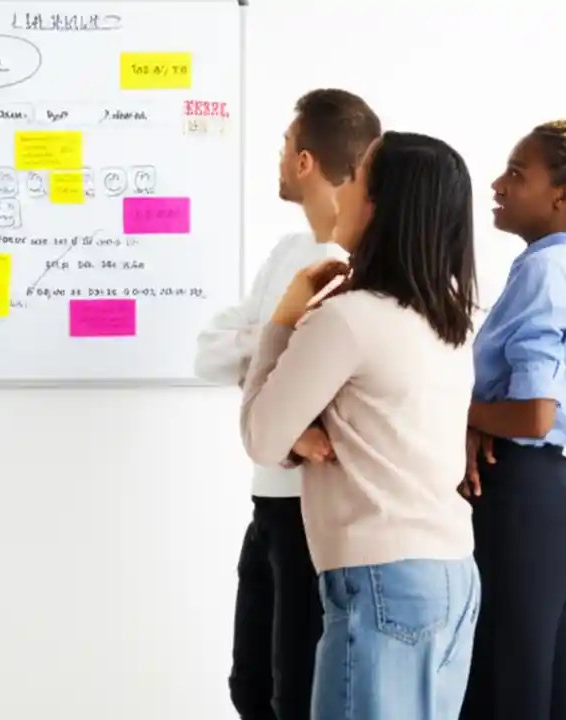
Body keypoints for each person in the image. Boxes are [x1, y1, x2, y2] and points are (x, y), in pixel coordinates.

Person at [240, 131, 481, 719]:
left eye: (358, 180)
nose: (342, 192)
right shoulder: (449, 320)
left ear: (383, 204)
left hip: (379, 582)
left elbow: (260, 435)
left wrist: (283, 319)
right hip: (452, 575)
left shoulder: (346, 319)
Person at [193, 88, 380, 719]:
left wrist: (271, 358)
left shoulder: (355, 263)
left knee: (292, 691)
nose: (277, 156)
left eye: (283, 145)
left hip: (314, 508)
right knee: (251, 687)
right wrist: (276, 343)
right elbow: (210, 354)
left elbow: (323, 380)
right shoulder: (287, 254)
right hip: (268, 497)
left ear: (304, 161)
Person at [460, 120, 566, 720]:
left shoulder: (545, 269)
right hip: (554, 506)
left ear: (563, 196)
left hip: (519, 499)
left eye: (517, 175)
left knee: (504, 693)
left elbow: (535, 413)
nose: (497, 184)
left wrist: (457, 413)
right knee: (552, 694)